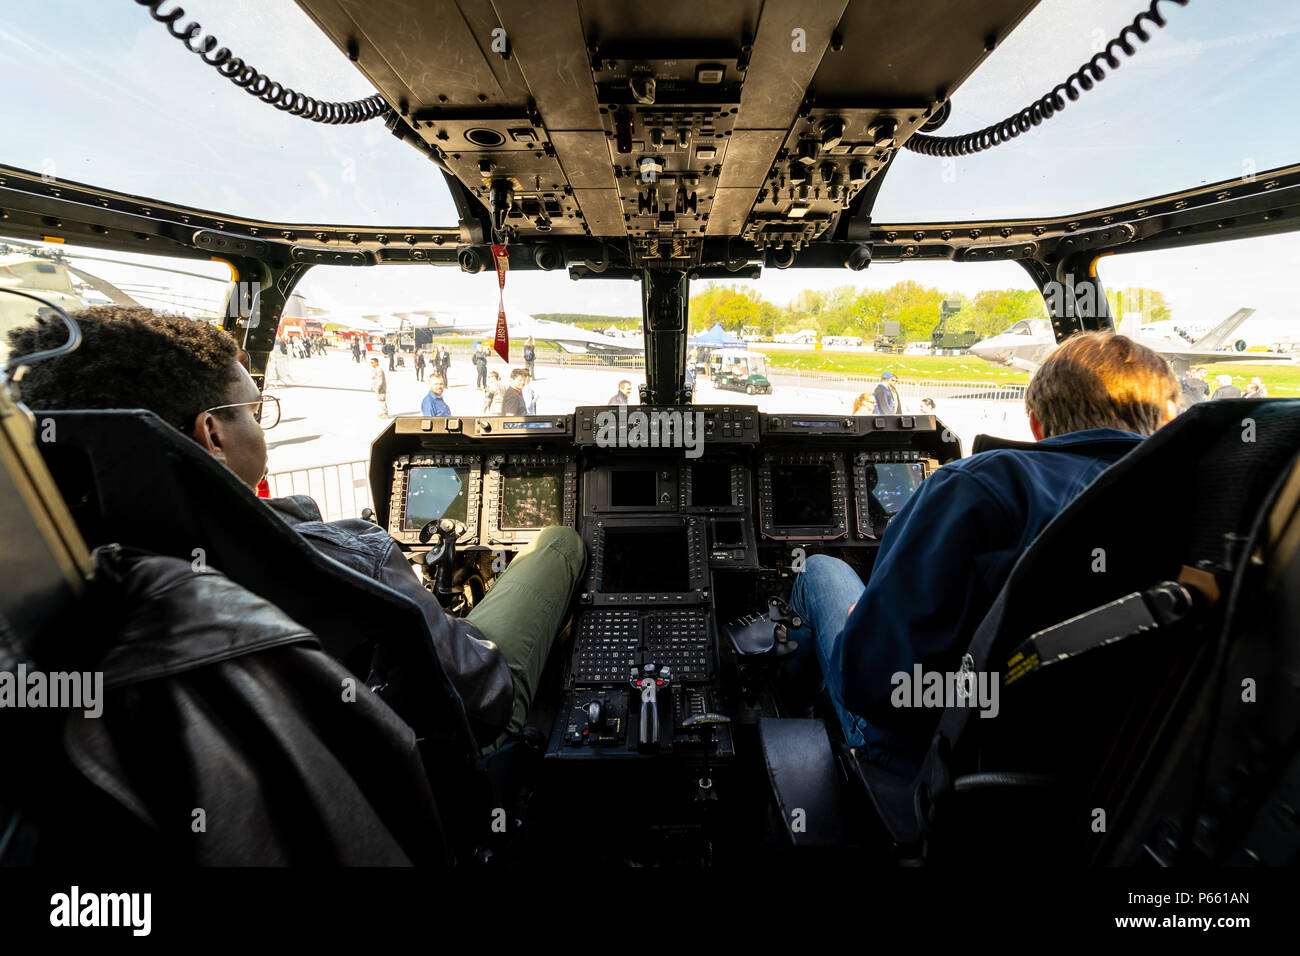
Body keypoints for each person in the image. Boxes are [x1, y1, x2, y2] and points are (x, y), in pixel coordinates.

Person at [8, 306, 586, 750]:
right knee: (558, 542)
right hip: (443, 751)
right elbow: (481, 693)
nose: (262, 426)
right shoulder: (351, 556)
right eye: (256, 410)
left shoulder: (40, 601)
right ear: (212, 434)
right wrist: (427, 611)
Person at [789, 332, 1180, 776]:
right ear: (1167, 418)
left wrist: (866, 618)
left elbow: (870, 685)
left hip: (940, 764)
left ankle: (792, 717)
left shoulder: (974, 486)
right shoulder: (1200, 498)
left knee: (822, 569)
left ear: (1035, 425)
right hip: (1125, 772)